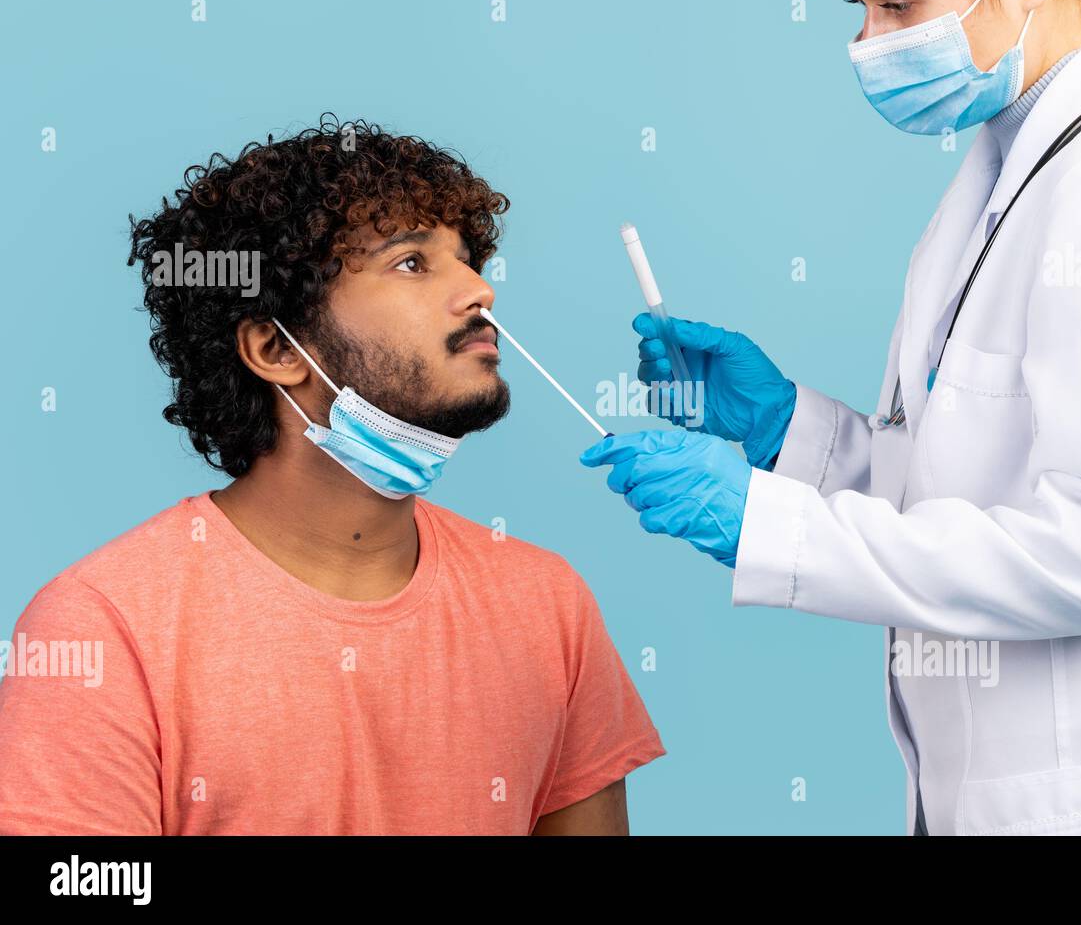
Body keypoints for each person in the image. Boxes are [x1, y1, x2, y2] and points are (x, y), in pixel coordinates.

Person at [580, 0, 1081, 835]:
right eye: (860, 7)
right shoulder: (1009, 168)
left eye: (897, 6)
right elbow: (968, 489)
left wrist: (769, 527)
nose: (869, 46)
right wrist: (789, 430)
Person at [0, 116, 664, 835]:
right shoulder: (103, 625)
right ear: (276, 350)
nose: (480, 291)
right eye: (412, 262)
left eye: (469, 258)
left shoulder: (548, 604)